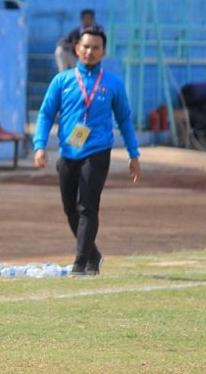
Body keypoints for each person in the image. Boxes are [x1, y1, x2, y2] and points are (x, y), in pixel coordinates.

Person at [34, 26, 141, 276]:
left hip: (98, 151)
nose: (90, 52)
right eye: (86, 47)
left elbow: (124, 119)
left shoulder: (113, 83)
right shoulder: (63, 80)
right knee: (70, 209)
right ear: (77, 49)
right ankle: (94, 255)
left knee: (87, 207)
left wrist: (133, 155)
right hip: (68, 151)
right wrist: (40, 146)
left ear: (104, 52)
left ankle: (80, 263)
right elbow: (46, 113)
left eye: (96, 48)